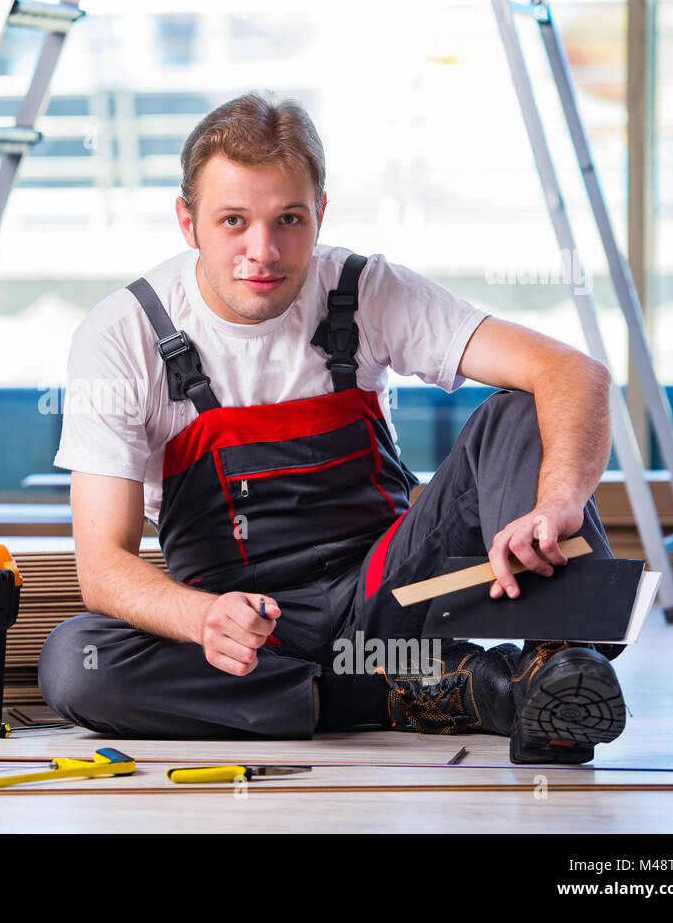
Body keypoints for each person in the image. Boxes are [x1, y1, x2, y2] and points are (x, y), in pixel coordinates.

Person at [38, 91, 626, 764]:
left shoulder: (363, 290)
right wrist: (202, 618)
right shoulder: (123, 335)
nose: (262, 252)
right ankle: (455, 690)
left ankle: (556, 664)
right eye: (233, 221)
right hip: (251, 633)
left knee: (518, 409)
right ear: (187, 221)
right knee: (77, 663)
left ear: (319, 212)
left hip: (395, 592)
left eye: (288, 219)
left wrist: (558, 502)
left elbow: (573, 373)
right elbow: (102, 568)